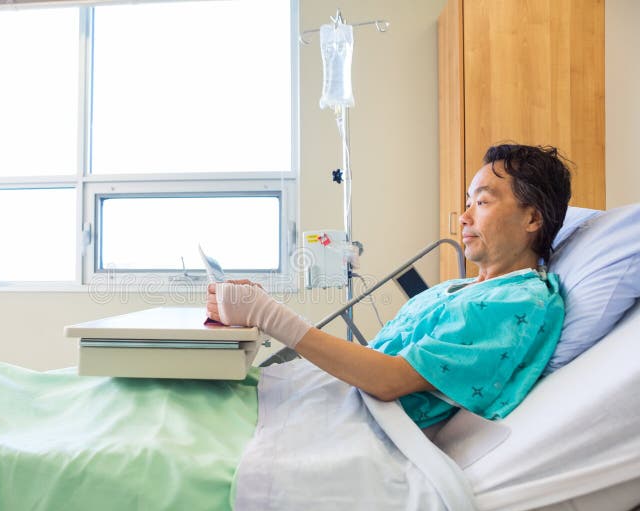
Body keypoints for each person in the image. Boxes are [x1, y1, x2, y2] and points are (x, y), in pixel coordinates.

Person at [206, 144, 572, 428]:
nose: (464, 216)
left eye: (482, 201)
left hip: (365, 428)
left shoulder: (519, 301)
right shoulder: (462, 288)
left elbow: (388, 379)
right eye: (467, 202)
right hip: (333, 402)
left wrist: (265, 313)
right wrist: (250, 306)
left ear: (533, 218)